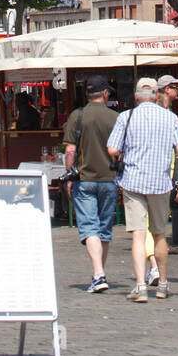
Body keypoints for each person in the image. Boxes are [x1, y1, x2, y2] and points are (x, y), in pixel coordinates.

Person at [106, 76, 178, 302]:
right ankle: (162, 284)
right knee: (160, 234)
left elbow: (112, 149)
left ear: (135, 96)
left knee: (138, 235)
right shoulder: (170, 117)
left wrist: (125, 153)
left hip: (133, 181)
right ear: (155, 95)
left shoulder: (126, 117)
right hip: (160, 182)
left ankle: (141, 286)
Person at [62, 75, 119, 294]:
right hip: (109, 179)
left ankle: (98, 274)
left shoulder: (77, 116)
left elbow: (70, 150)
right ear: (105, 94)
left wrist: (69, 175)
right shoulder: (116, 118)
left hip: (84, 179)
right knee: (104, 229)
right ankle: (100, 272)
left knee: (89, 227)